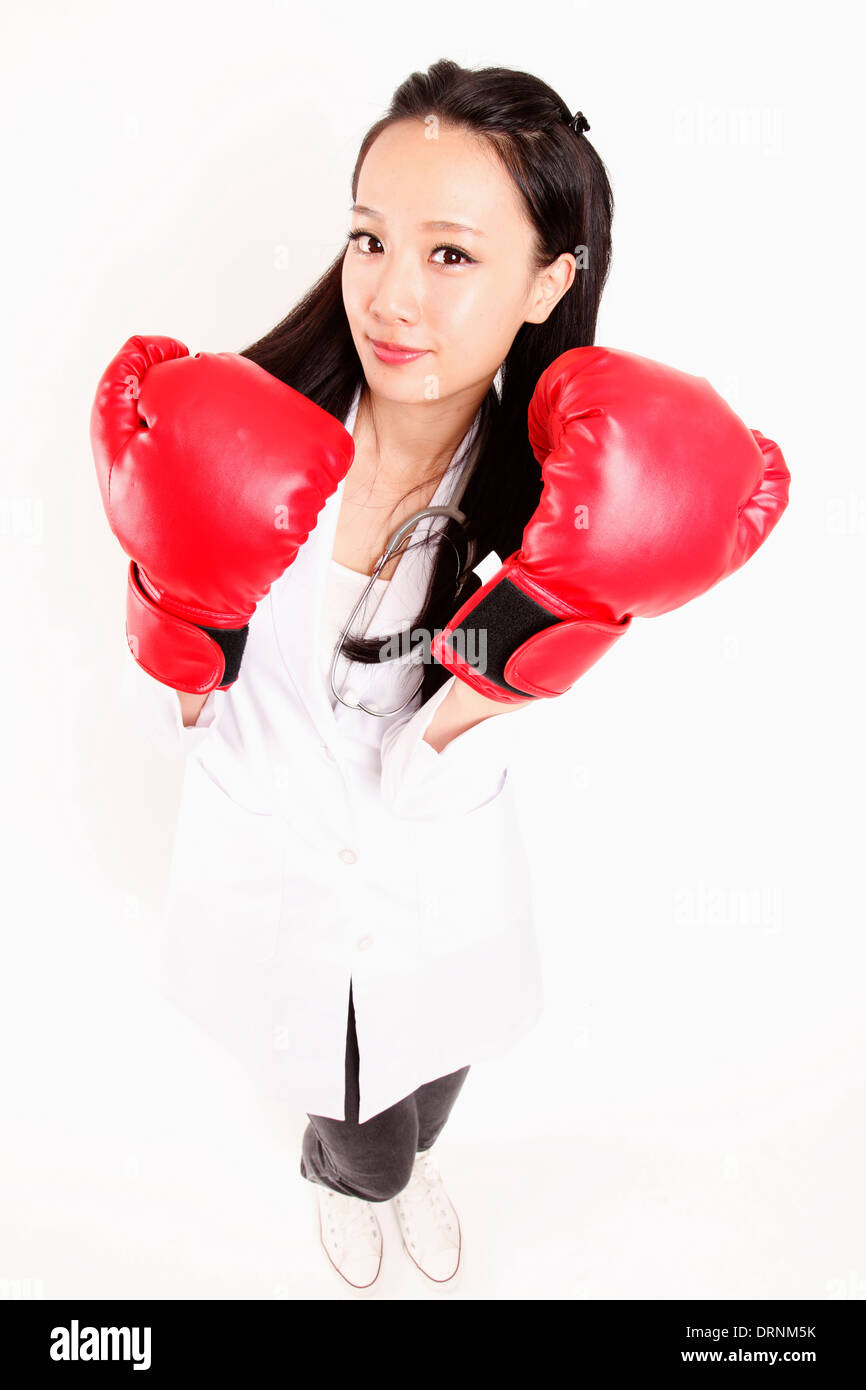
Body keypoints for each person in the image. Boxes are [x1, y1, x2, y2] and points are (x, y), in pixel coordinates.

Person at [90, 59, 790, 1293]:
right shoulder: (235, 435)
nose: (391, 295)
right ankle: (350, 1180)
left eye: (451, 255)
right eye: (369, 238)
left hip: (445, 902)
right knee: (364, 1140)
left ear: (547, 281)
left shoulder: (555, 501)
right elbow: (181, 728)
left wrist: (534, 628)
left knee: (439, 1082)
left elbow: (455, 758)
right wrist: (179, 622)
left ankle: (400, 1159)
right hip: (277, 895)